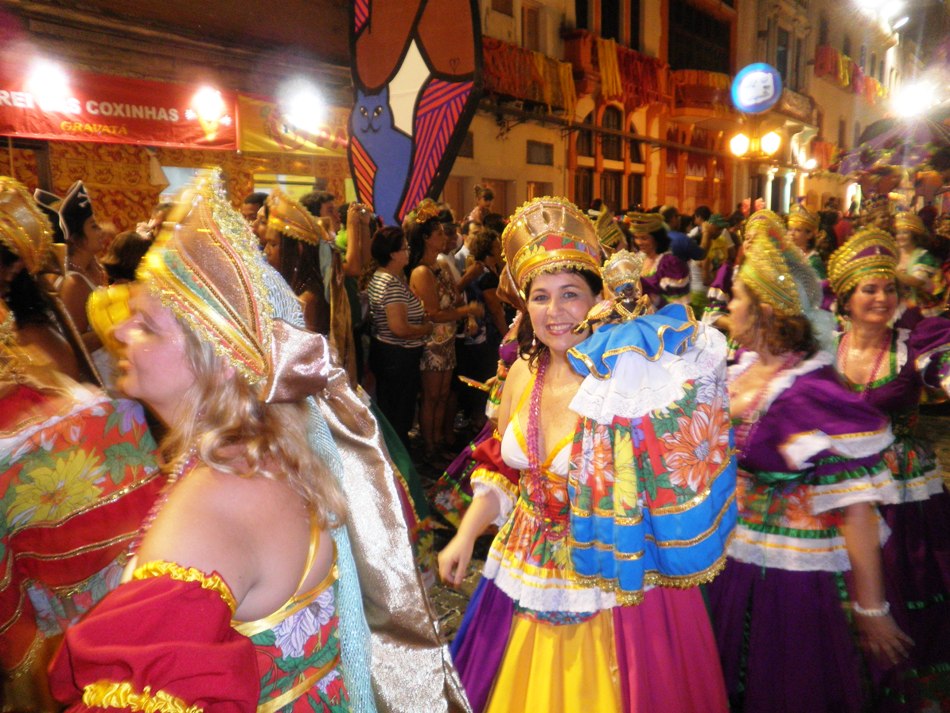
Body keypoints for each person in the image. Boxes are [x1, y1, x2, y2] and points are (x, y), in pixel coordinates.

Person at [47, 171, 469, 713]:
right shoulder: (267, 451)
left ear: (220, 362)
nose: (121, 333)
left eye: (147, 324)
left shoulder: (221, 495)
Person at [439, 196, 735, 712]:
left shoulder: (629, 383)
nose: (554, 313)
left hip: (612, 577)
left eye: (571, 294)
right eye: (540, 296)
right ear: (524, 306)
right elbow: (505, 472)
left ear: (600, 299)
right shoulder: (520, 376)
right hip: (523, 567)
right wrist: (466, 535)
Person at [706, 210, 909, 713]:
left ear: (766, 312)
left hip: (791, 565)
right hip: (732, 539)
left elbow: (858, 507)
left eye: (737, 297)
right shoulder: (744, 369)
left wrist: (871, 607)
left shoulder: (808, 391)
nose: (728, 305)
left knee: (785, 678)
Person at [828, 229, 950, 710]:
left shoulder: (914, 341)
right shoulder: (826, 348)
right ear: (847, 298)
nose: (882, 298)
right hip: (842, 489)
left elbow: (940, 369)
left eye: (889, 288)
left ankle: (919, 694)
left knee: (909, 581)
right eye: (869, 289)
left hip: (904, 493)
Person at [408, 199, 482, 459]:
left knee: (442, 395)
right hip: (432, 342)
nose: (445, 237)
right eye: (439, 233)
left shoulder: (440, 266)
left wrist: (463, 308)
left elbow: (455, 297)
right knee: (431, 396)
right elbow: (434, 312)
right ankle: (429, 446)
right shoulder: (421, 272)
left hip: (447, 339)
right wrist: (466, 311)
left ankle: (438, 440)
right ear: (427, 238)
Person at [367, 225, 433, 446]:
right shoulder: (391, 284)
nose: (408, 251)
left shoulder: (383, 276)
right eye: (405, 248)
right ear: (393, 254)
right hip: (398, 357)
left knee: (394, 410)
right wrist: (425, 329)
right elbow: (399, 328)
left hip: (390, 355)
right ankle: (399, 463)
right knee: (398, 414)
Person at [57, 181, 107, 355]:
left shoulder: (91, 269)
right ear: (76, 237)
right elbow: (73, 346)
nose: (101, 231)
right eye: (94, 226)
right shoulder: (74, 283)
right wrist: (112, 325)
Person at [626, 211, 690, 307]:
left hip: (663, 318)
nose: (639, 242)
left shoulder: (670, 263)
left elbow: (678, 304)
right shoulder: (637, 258)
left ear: (656, 238)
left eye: (644, 238)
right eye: (636, 238)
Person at [893, 211, 946, 317]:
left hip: (920, 311)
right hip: (896, 306)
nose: (901, 236)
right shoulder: (894, 254)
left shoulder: (923, 256)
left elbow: (917, 282)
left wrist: (893, 272)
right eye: (898, 233)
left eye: (905, 233)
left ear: (914, 235)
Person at [786, 203, 828, 278]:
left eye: (798, 230)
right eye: (790, 229)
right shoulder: (788, 254)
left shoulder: (813, 262)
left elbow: (819, 287)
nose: (792, 234)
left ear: (809, 234)